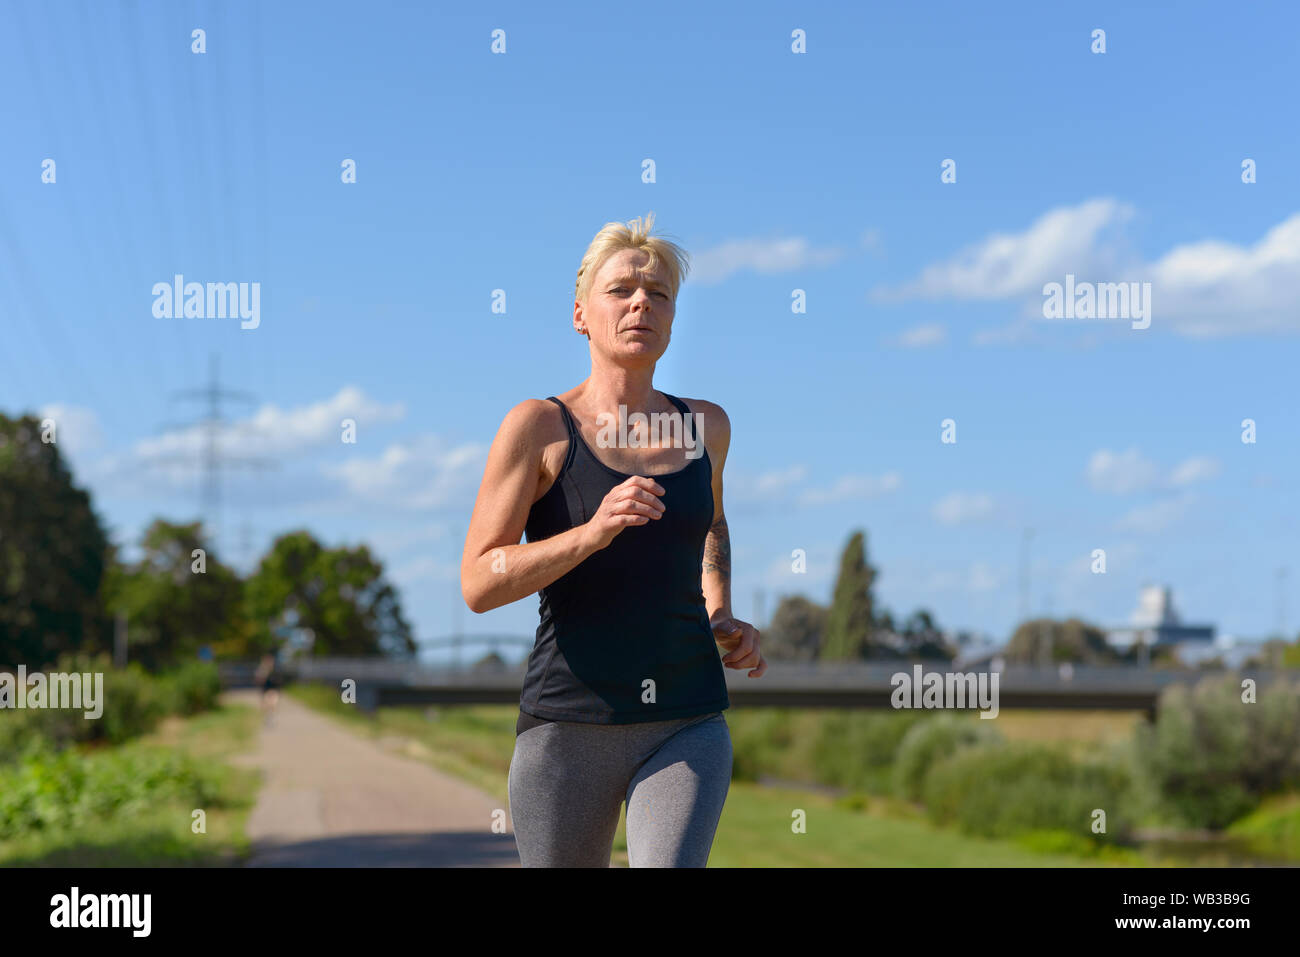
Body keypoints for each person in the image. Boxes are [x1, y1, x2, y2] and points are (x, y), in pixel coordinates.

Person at [461, 213, 766, 868]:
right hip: (568, 727)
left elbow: (711, 521)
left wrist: (720, 610)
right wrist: (590, 533)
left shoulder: (703, 427)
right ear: (580, 313)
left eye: (659, 294)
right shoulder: (538, 427)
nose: (640, 303)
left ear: (673, 318)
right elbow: (480, 581)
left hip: (687, 718)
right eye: (622, 289)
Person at [254, 653, 281, 726]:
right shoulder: (262, 670)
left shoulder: (276, 670)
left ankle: (271, 718)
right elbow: (259, 681)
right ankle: (268, 718)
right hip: (265, 690)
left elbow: (279, 680)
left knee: (272, 704)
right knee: (266, 706)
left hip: (273, 690)